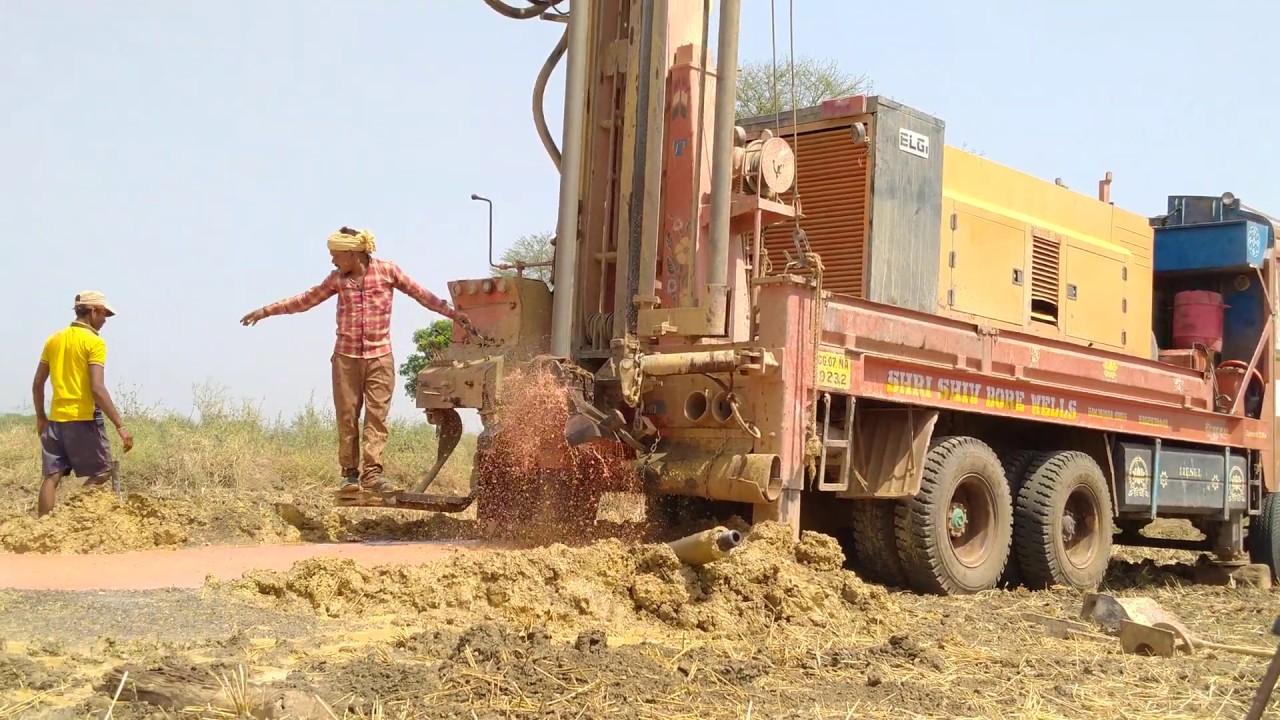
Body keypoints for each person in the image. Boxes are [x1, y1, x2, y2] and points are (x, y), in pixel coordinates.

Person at [240, 226, 472, 495]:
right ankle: (349, 475)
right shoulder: (337, 280)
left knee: (377, 418)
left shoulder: (388, 271)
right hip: (346, 358)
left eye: (335, 254)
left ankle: (372, 475)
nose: (332, 260)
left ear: (352, 254)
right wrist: (267, 311)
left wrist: (453, 314)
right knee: (347, 417)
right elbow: (305, 300)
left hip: (380, 358)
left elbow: (422, 295)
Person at [32, 290, 134, 517]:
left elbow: (37, 383)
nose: (106, 319)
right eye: (104, 313)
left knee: (52, 476)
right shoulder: (94, 342)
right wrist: (120, 426)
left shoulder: (54, 339)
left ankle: (43, 528)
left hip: (56, 419)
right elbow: (97, 389)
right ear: (94, 311)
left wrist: (41, 416)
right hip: (83, 417)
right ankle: (69, 516)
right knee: (103, 470)